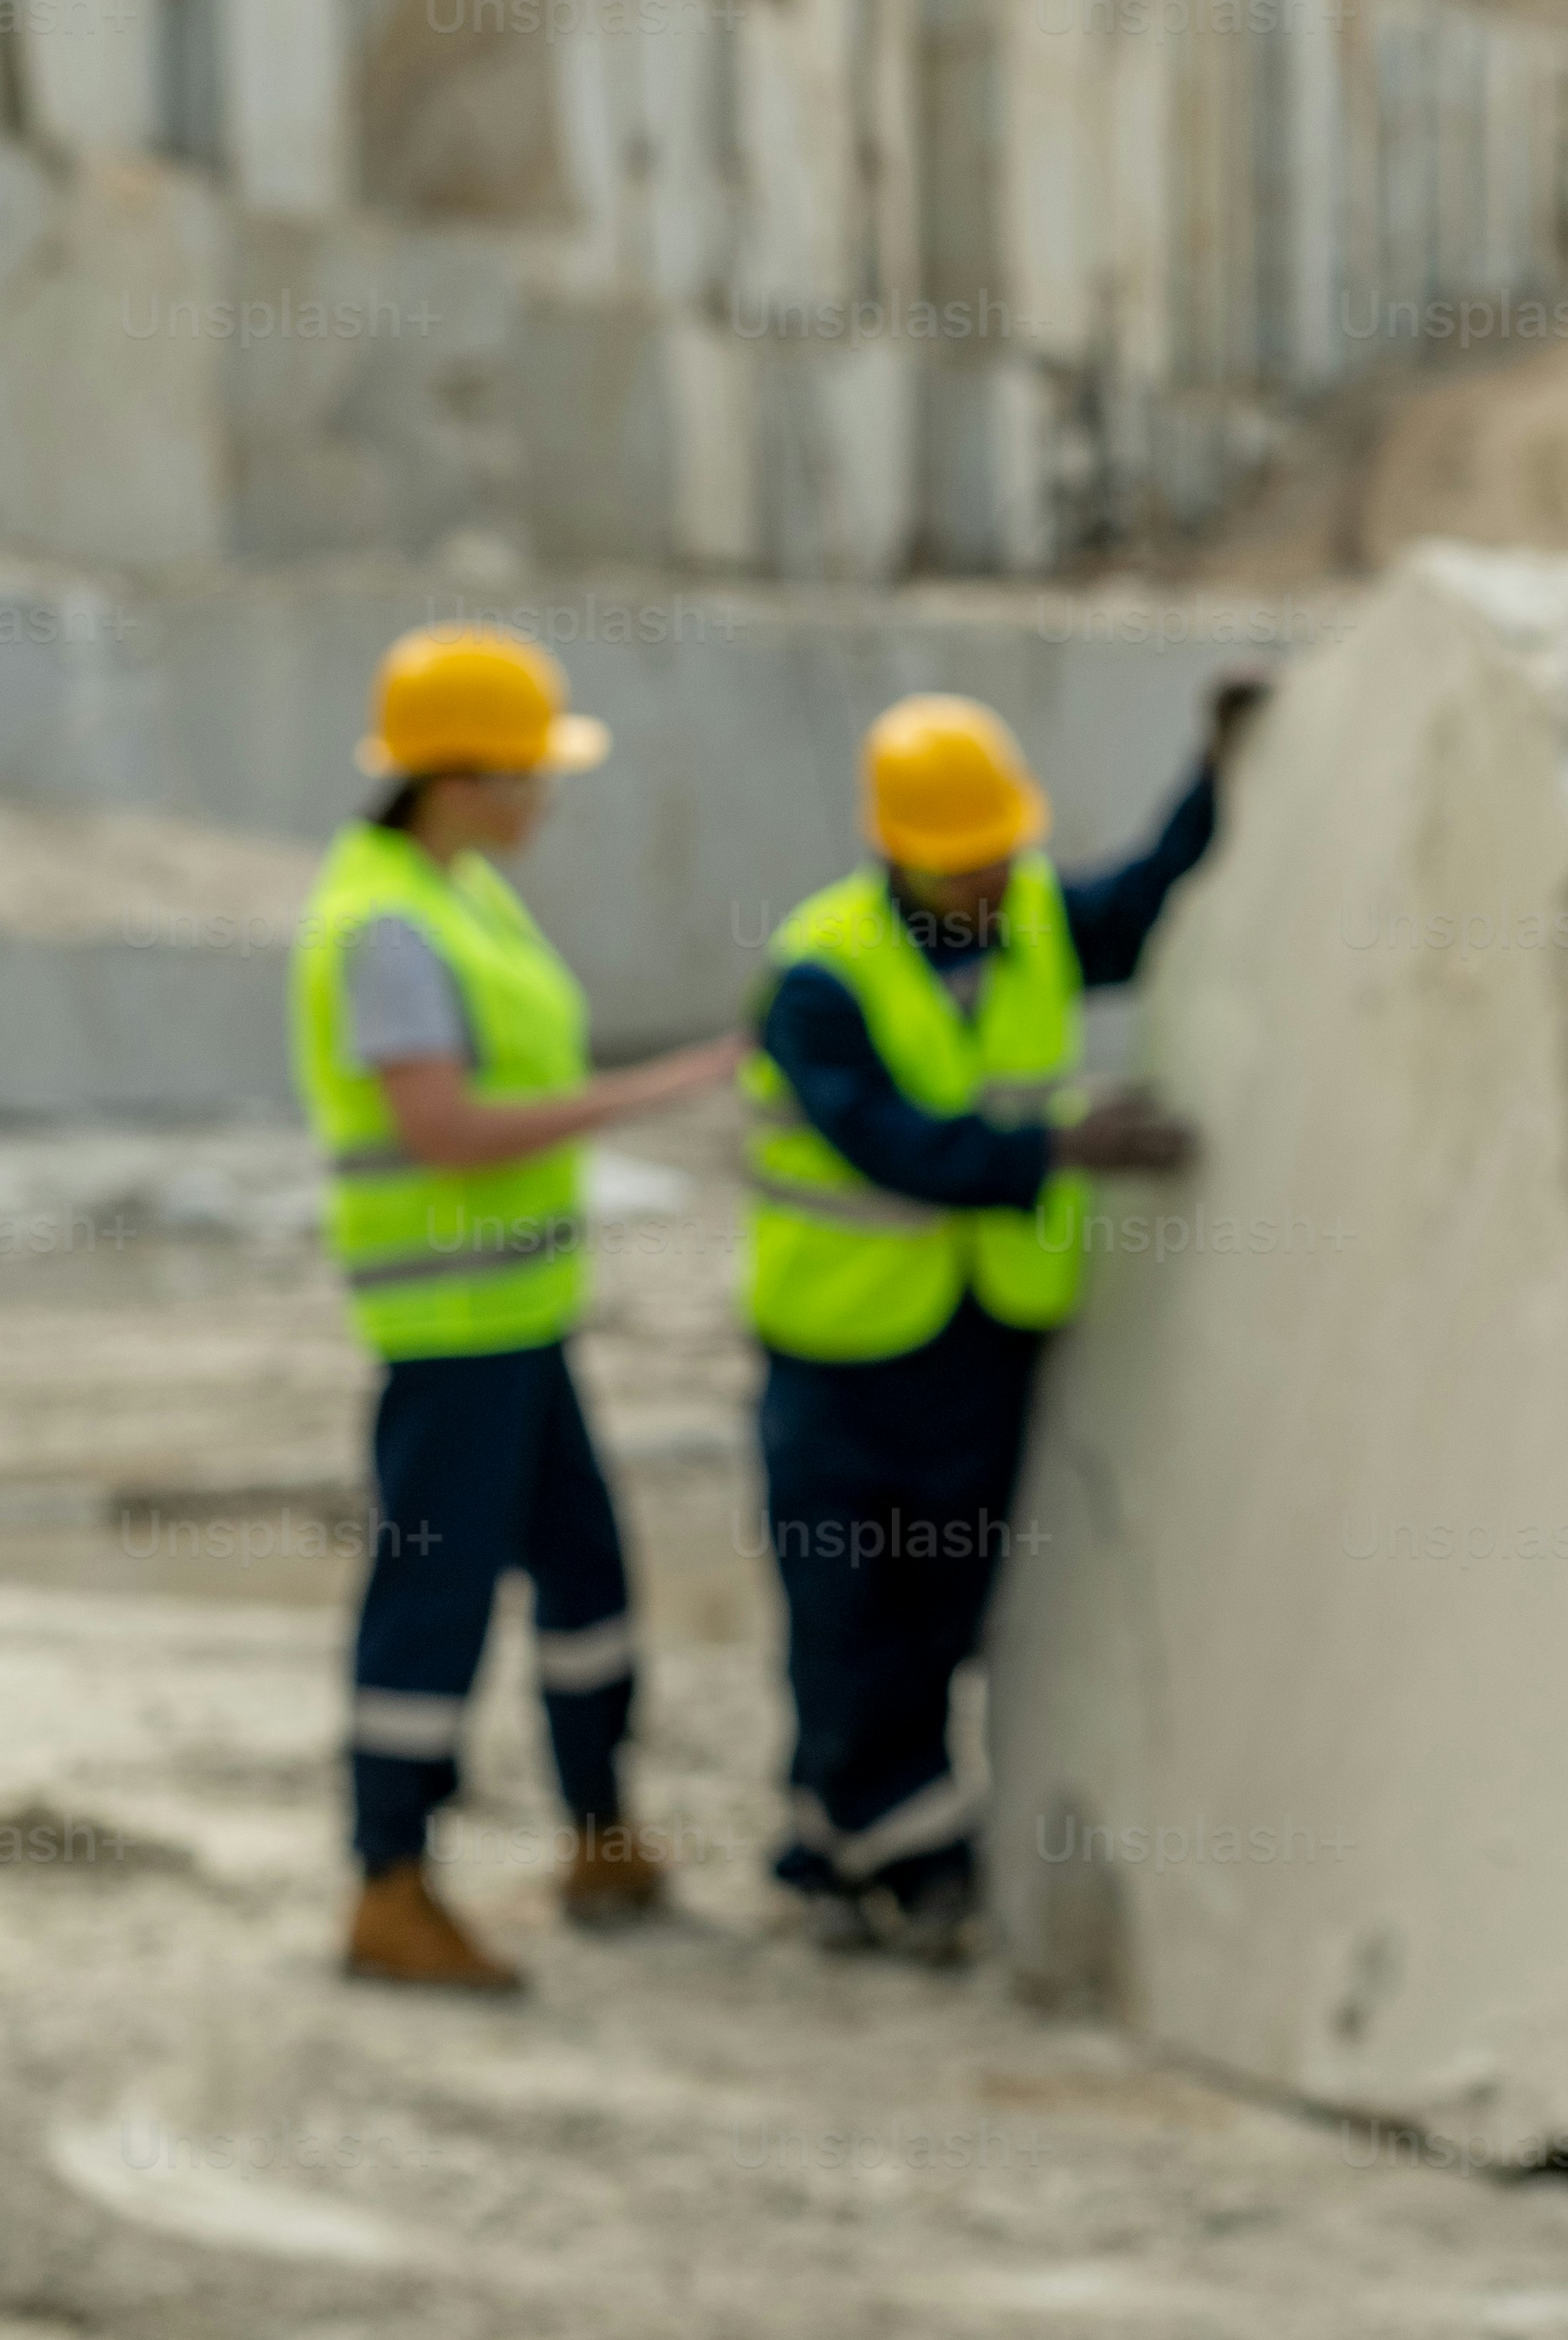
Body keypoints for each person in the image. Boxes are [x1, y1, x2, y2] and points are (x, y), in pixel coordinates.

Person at [736, 671, 1262, 1958]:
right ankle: (864, 1845)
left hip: (977, 1342)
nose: (985, 882)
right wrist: (1063, 1149)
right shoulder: (822, 977)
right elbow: (891, 1142)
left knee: (943, 1601)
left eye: (997, 855)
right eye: (960, 863)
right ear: (896, 852)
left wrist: (1219, 774)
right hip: (843, 1353)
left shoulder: (1031, 922)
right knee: (845, 1605)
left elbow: (1138, 909)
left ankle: (853, 1840)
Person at [291, 622, 738, 1994]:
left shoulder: (461, 894)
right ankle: (389, 1884)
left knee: (588, 1579)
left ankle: (601, 1830)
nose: (544, 800)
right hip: (450, 1338)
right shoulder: (387, 926)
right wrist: (652, 1091)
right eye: (529, 776)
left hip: (521, 1319)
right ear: (457, 778)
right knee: (432, 1603)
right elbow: (444, 1130)